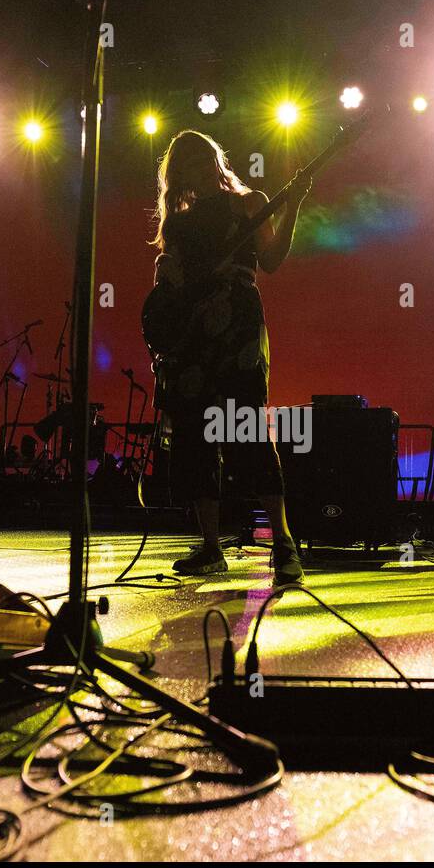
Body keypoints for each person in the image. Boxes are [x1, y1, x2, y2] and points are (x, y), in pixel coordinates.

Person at [148, 129, 311, 584]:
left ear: (213, 162)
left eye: (199, 161)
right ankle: (211, 547)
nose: (193, 172)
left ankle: (283, 544)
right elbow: (171, 289)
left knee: (247, 430)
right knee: (194, 440)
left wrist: (293, 203)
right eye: (183, 167)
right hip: (191, 337)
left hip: (237, 325)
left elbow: (272, 260)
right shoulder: (177, 224)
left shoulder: (247, 202)